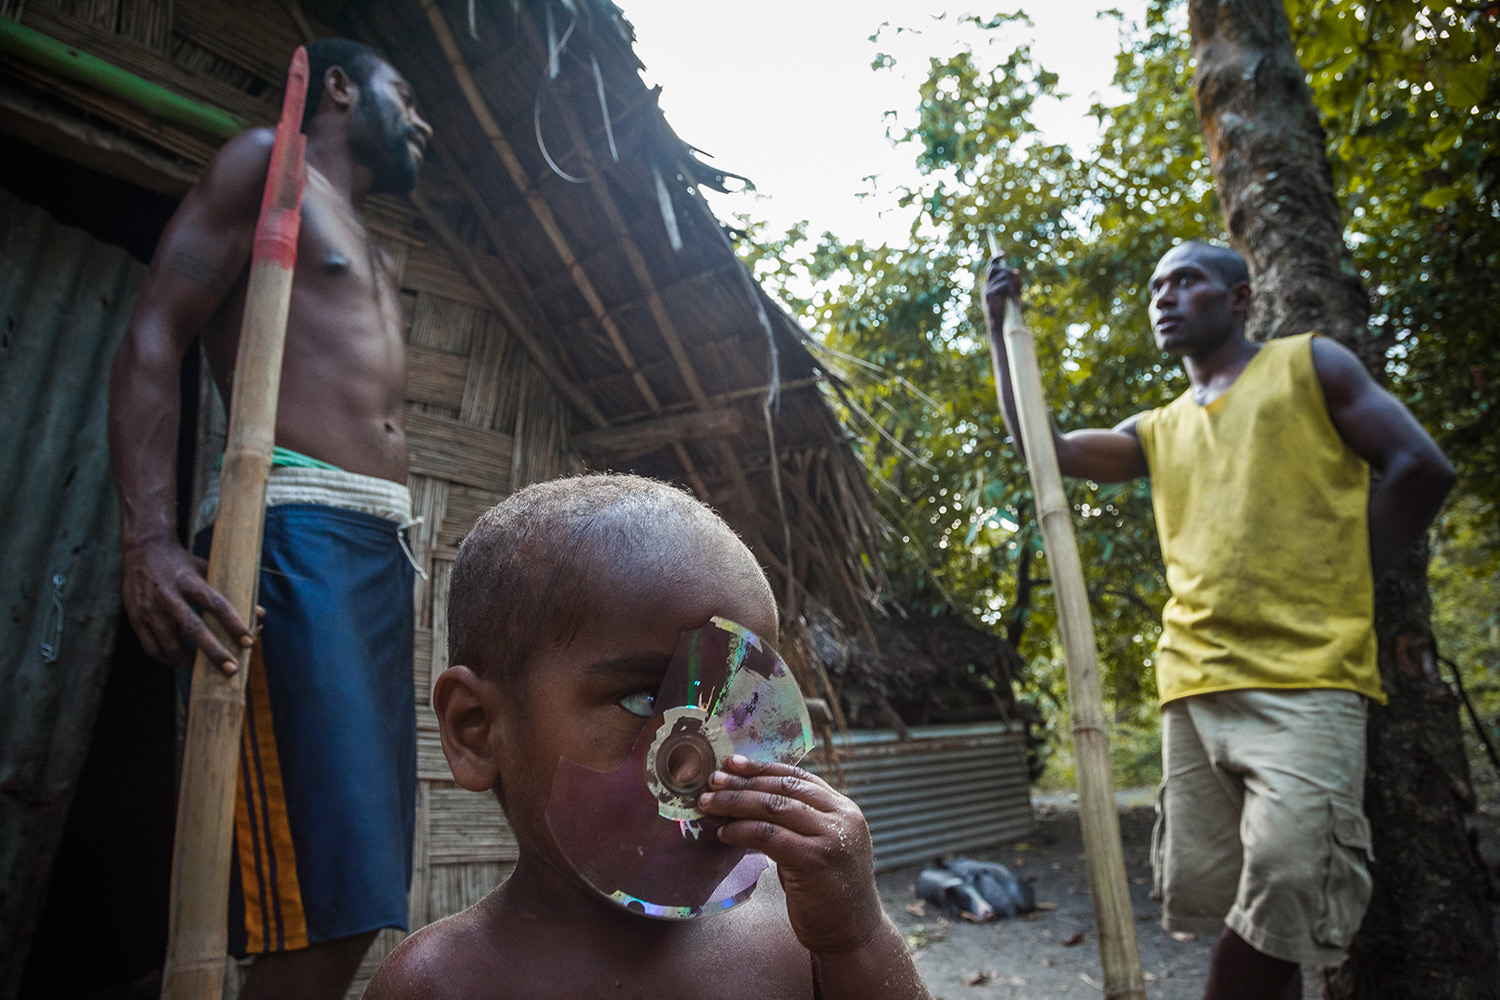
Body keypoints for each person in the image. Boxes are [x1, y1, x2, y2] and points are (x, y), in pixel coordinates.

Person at [982, 242, 1455, 1000]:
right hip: (1194, 688)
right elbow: (1051, 450)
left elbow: (1423, 469)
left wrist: (1343, 571)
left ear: (1239, 299)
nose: (1165, 298)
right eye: (1156, 287)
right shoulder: (1158, 427)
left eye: (1187, 281)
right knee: (1234, 898)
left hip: (1308, 680)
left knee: (1290, 879)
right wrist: (999, 330)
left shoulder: (1311, 366)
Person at [107, 38, 433, 1000]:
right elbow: (156, 332)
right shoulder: (268, 164)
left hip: (378, 554)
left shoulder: (372, 245)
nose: (422, 122)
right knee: (324, 903)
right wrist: (149, 538)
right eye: (404, 93)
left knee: (362, 892)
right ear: (337, 87)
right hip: (293, 536)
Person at [364, 474, 932, 1000]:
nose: (697, 763)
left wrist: (857, 940)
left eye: (738, 705)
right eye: (640, 699)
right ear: (478, 731)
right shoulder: (438, 983)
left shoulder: (800, 926)